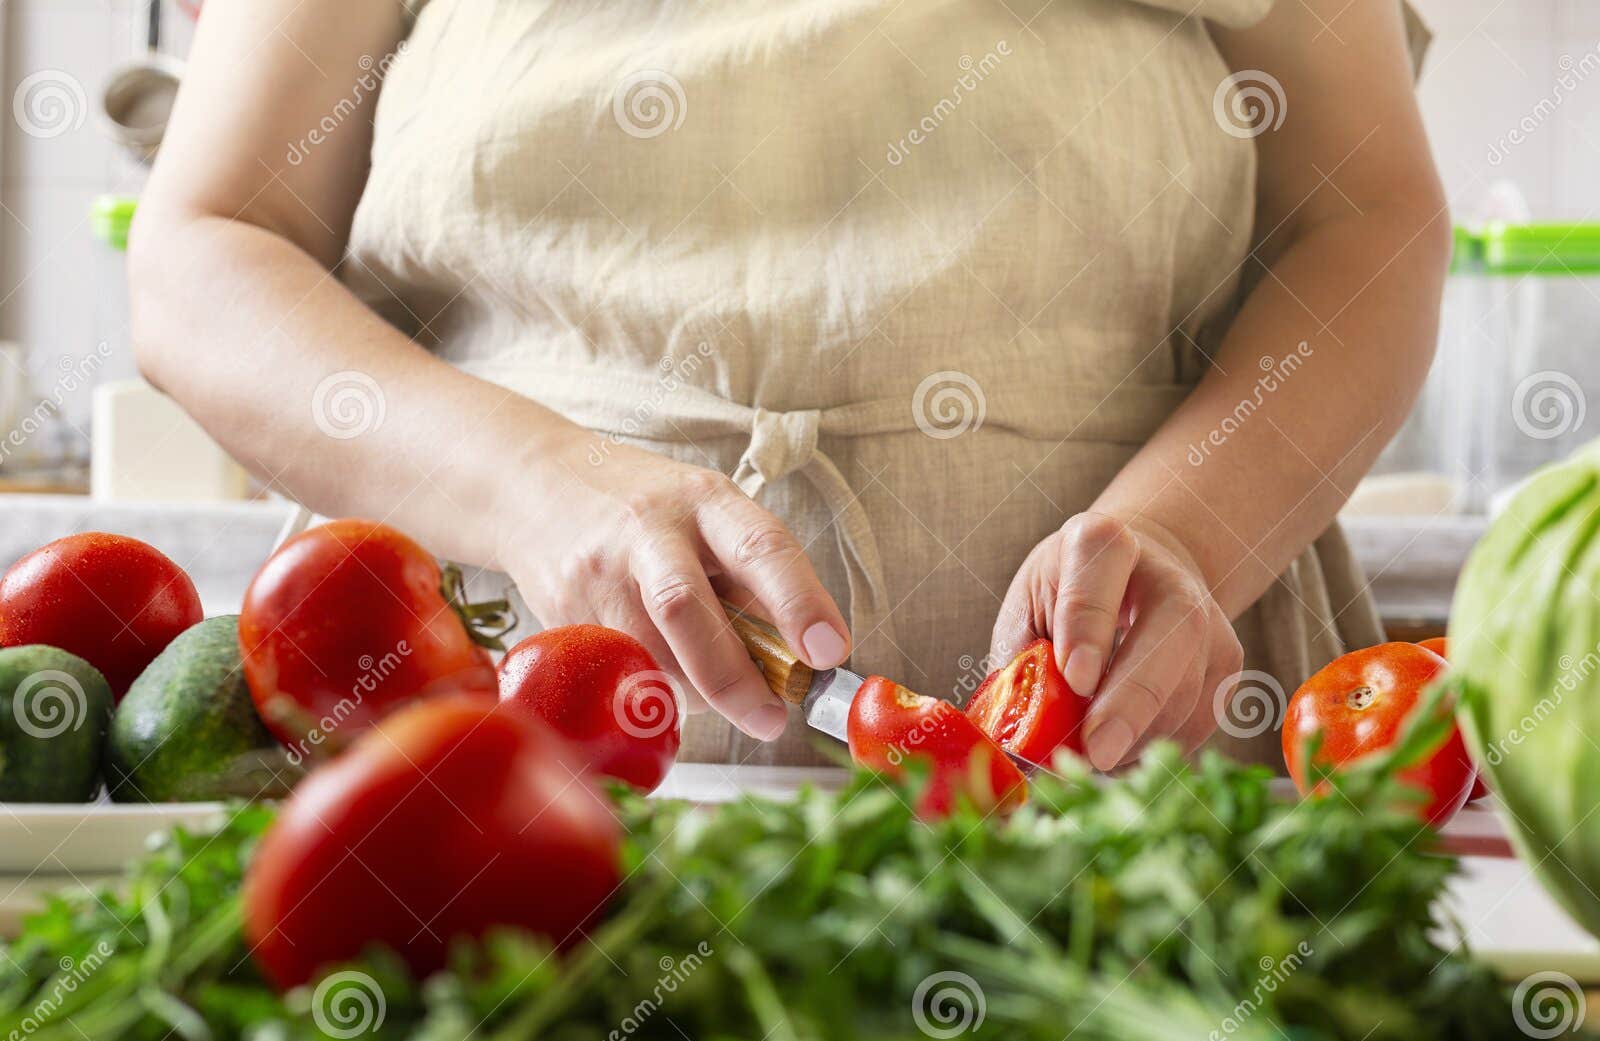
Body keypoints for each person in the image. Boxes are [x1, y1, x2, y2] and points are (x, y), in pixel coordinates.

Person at [129, 0, 1448, 771]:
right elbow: (206, 254)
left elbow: (1368, 215)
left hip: (1139, 767)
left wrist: (1194, 531)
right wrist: (543, 490)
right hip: (478, 773)